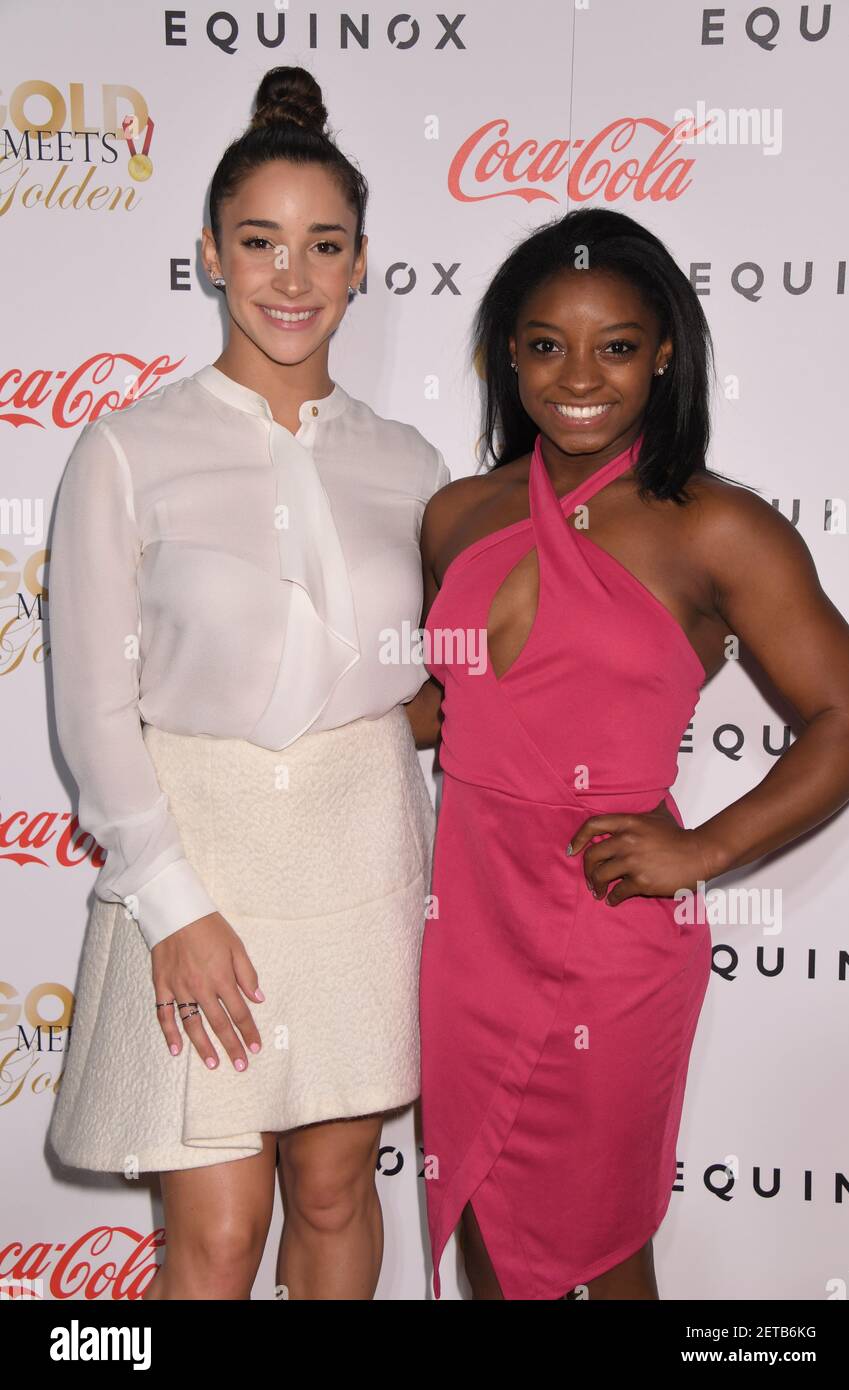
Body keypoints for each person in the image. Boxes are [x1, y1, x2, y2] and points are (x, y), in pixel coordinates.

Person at [47, 65, 449, 1301]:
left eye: (321, 246)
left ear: (362, 261)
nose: (291, 275)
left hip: (359, 850)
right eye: (260, 243)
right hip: (198, 856)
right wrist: (171, 902)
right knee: (216, 1233)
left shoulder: (411, 460)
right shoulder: (127, 449)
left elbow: (433, 678)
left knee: (335, 1193)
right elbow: (90, 706)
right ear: (209, 254)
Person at [412, 206, 849, 1300]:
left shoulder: (714, 526)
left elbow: (846, 717)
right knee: (478, 1208)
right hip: (467, 922)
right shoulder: (456, 514)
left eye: (615, 345)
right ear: (504, 355)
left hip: (610, 925)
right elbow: (445, 705)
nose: (579, 374)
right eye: (543, 344)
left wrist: (701, 847)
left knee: (601, 1238)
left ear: (662, 354)